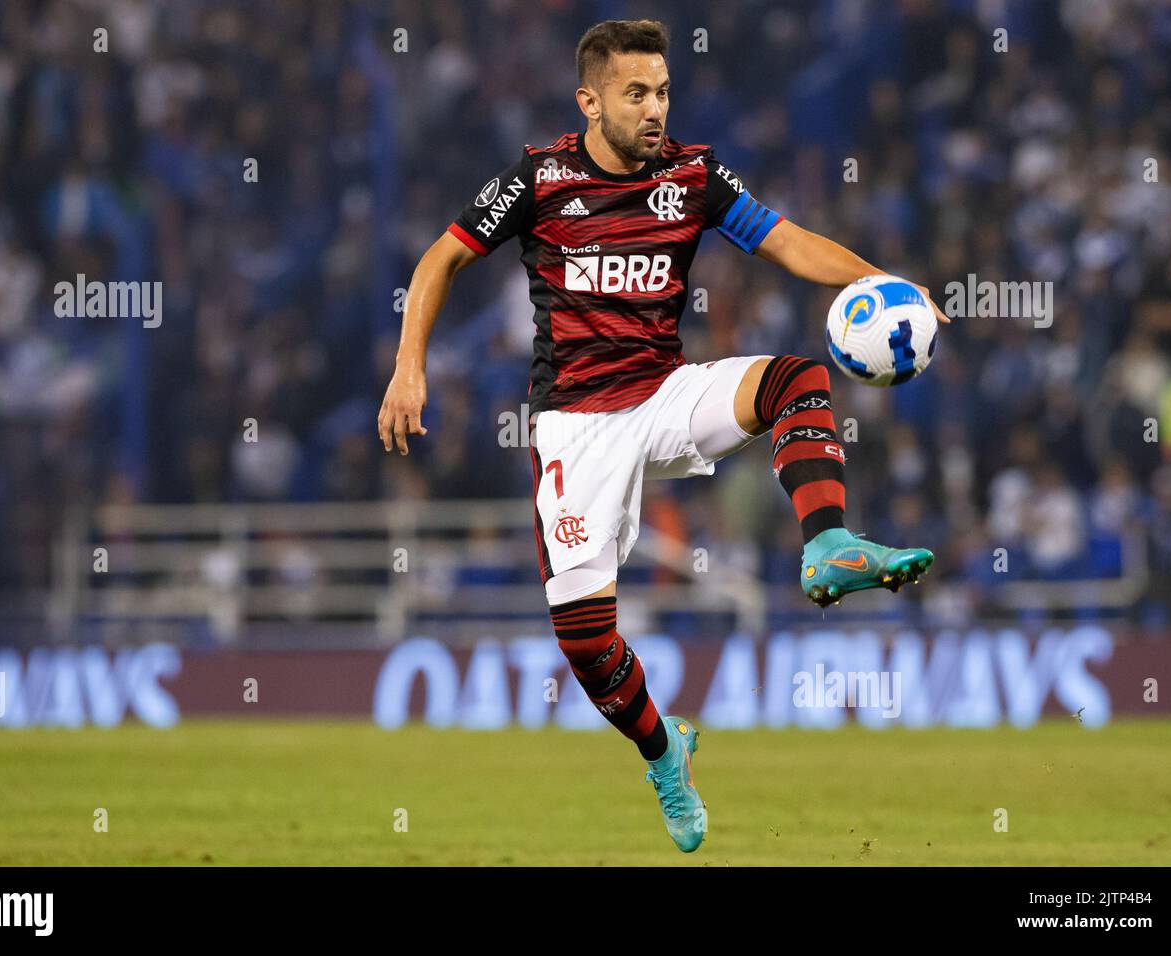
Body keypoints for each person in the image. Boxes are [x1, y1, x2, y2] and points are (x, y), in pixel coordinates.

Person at [377, 19, 948, 853]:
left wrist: (882, 281)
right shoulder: (539, 180)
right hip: (576, 426)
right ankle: (662, 749)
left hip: (666, 394)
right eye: (637, 93)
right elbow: (439, 260)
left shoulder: (693, 173)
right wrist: (408, 367)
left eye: (664, 91)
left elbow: (786, 242)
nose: (655, 109)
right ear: (591, 100)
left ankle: (827, 544)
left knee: (795, 378)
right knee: (584, 641)